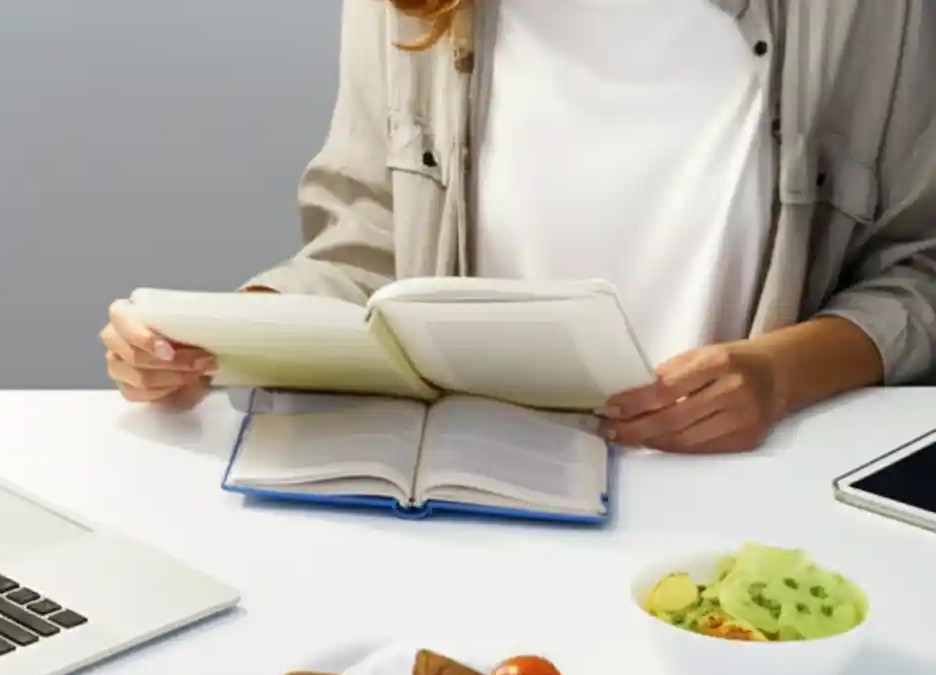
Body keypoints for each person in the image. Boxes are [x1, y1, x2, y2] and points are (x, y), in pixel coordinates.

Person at [100, 0, 936, 454]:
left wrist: (777, 374)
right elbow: (370, 249)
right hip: (473, 491)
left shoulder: (868, 17)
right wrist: (221, 335)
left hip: (737, 506)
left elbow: (920, 269)